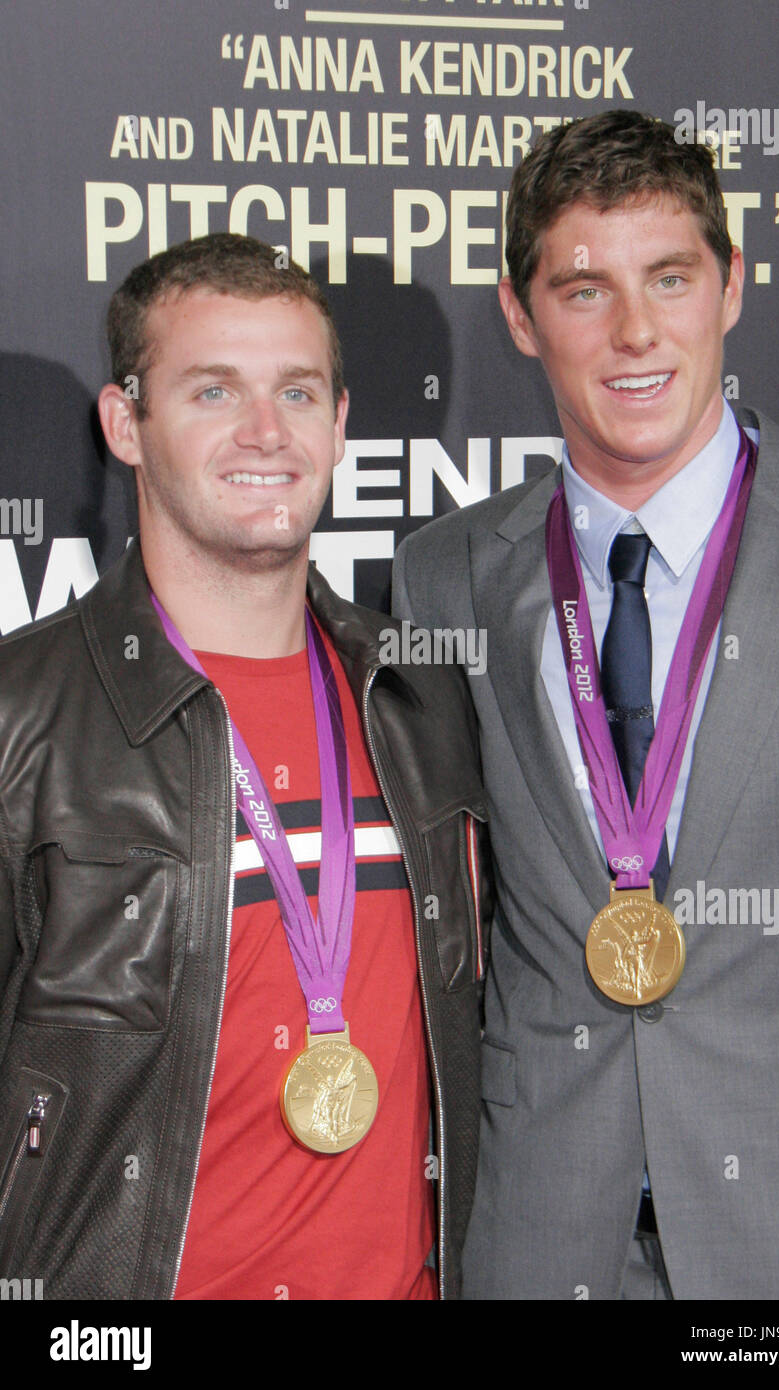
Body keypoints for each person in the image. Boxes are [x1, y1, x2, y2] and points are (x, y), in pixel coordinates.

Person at [392, 109, 779, 1300]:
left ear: (732, 287)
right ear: (517, 314)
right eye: (582, 289)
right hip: (548, 1227)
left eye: (668, 277)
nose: (635, 331)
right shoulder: (445, 570)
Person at [0, 232, 489, 1300]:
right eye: (213, 390)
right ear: (125, 424)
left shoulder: (419, 697)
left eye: (298, 392)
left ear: (341, 420)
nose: (265, 433)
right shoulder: (20, 715)